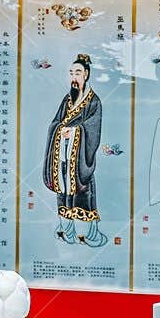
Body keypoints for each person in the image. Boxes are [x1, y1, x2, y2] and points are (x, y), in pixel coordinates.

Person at [43, 53, 105, 246]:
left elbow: (93, 131)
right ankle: (66, 230)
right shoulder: (67, 100)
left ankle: (88, 234)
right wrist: (61, 131)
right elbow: (55, 123)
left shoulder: (94, 102)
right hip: (63, 159)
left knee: (83, 196)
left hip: (79, 165)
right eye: (71, 73)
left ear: (86, 74)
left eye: (77, 72)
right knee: (63, 195)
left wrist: (77, 131)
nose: (73, 77)